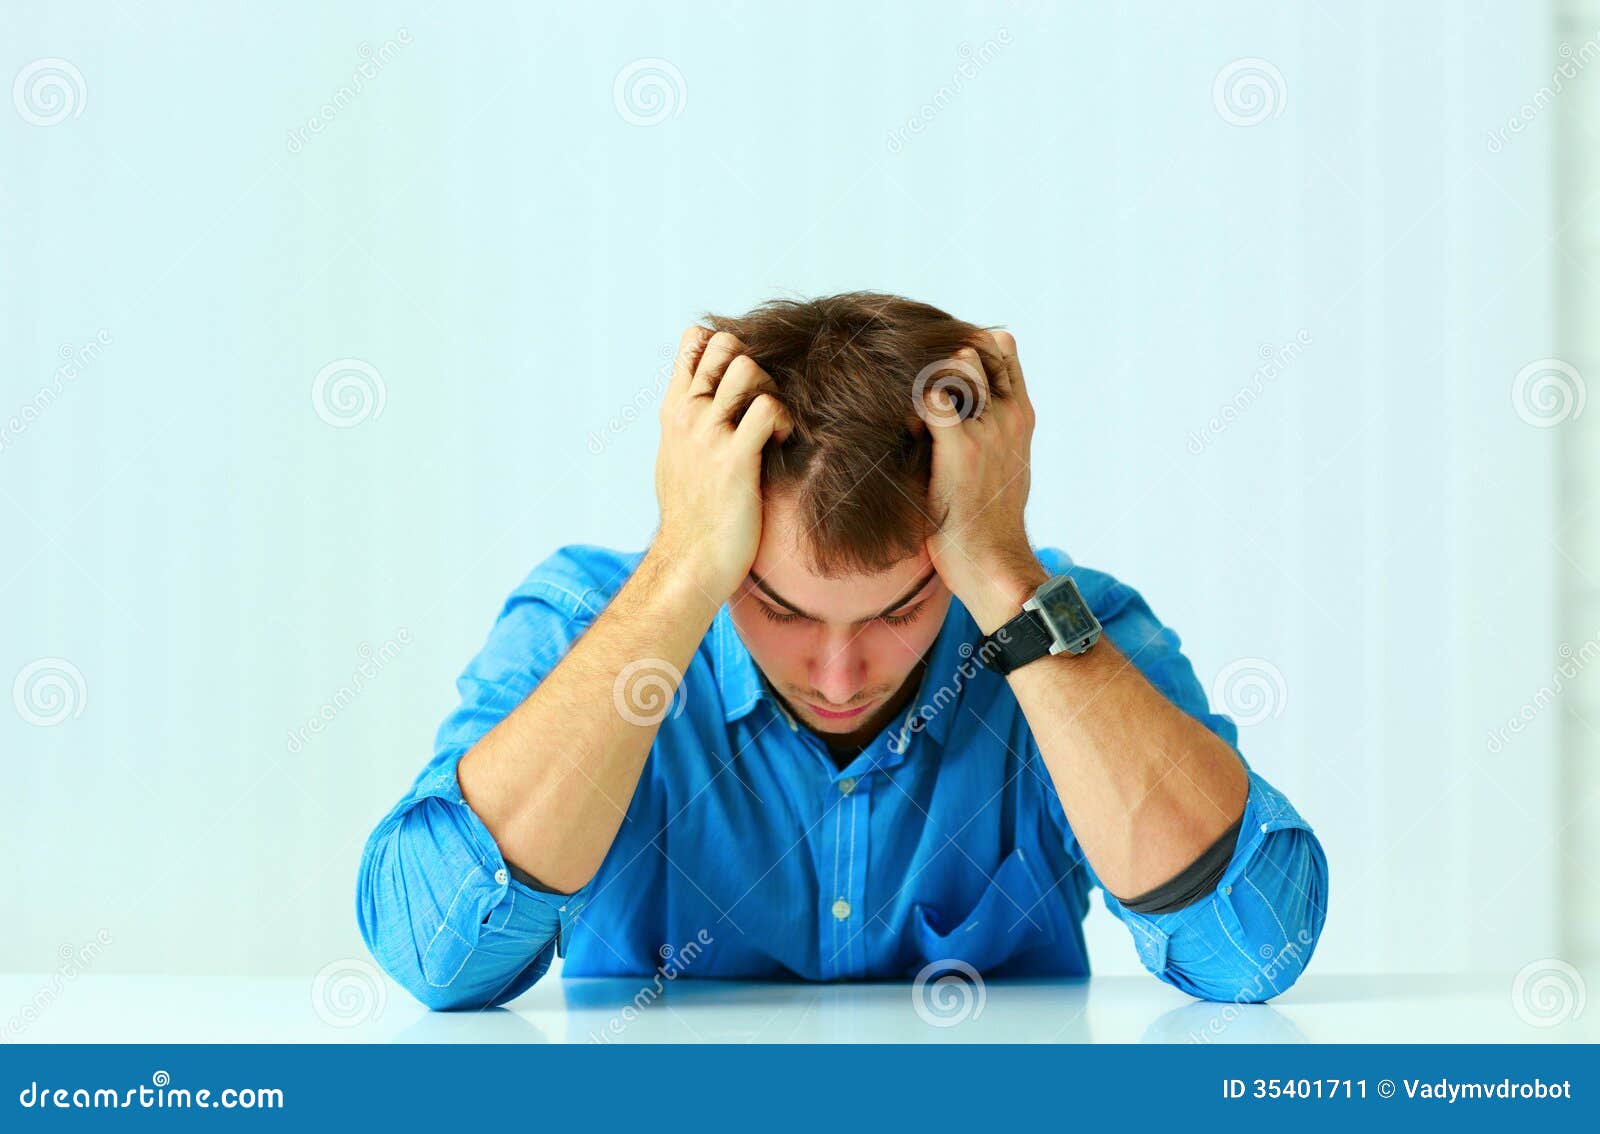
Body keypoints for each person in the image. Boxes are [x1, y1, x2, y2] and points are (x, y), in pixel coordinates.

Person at [355, 291, 1328, 1011]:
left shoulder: (1061, 633)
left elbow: (1252, 953)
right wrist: (681, 570)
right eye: (778, 607)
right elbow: (435, 957)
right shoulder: (588, 626)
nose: (837, 676)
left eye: (895, 612)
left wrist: (1000, 571)